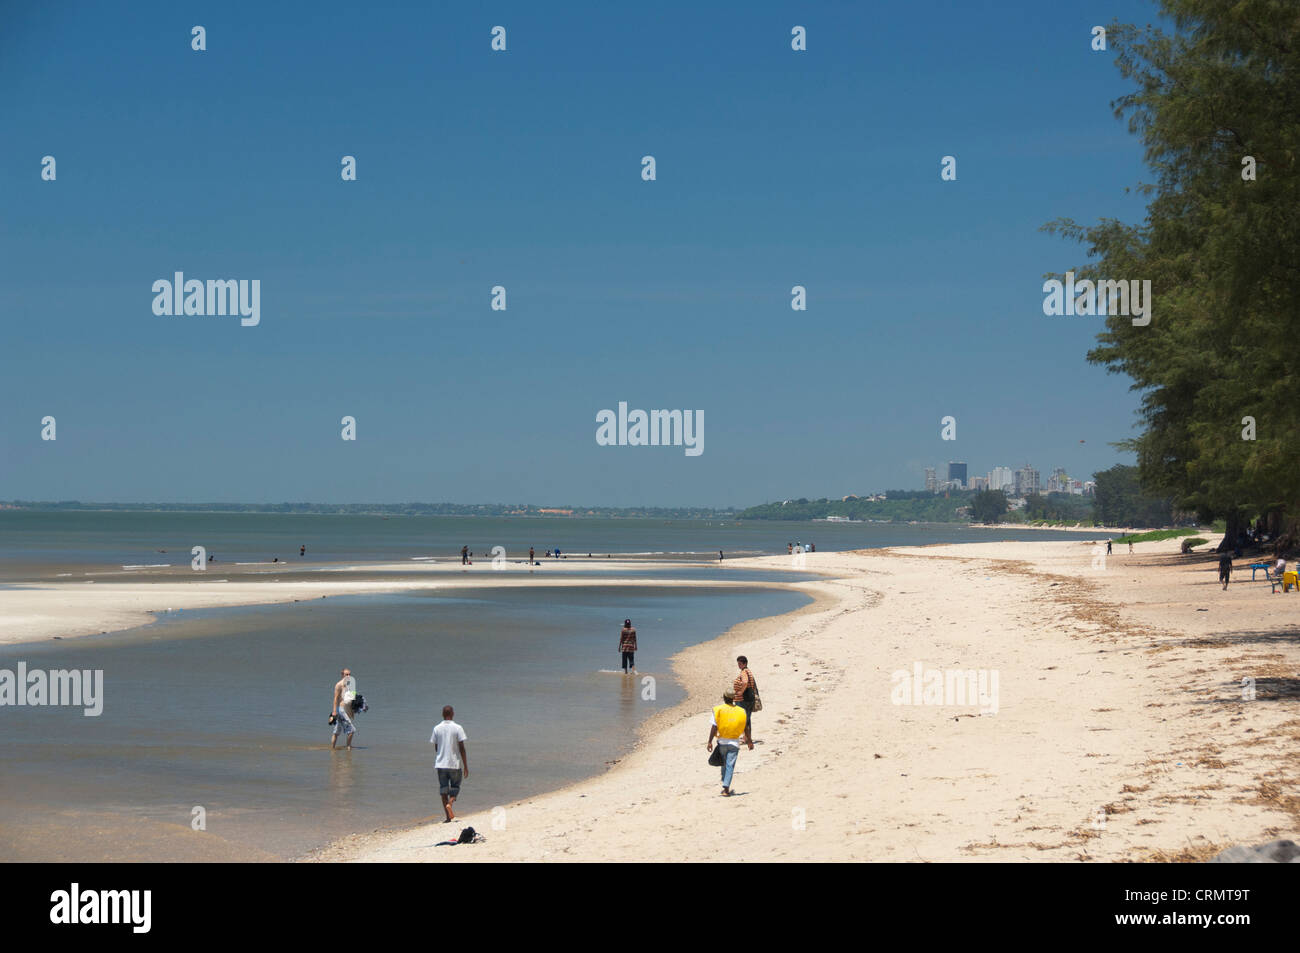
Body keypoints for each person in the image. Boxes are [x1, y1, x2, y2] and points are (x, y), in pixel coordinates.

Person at [707, 687, 752, 796]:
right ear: (733, 698)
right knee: (729, 765)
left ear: (724, 697)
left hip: (722, 742)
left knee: (725, 764)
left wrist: (709, 741)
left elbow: (714, 727)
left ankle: (726, 787)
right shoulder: (741, 711)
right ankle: (726, 785)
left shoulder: (718, 710)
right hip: (734, 743)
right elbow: (746, 727)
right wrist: (749, 741)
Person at [430, 705, 469, 822]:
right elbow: (462, 747)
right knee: (455, 787)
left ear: (443, 714)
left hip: (441, 764)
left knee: (443, 790)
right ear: (452, 714)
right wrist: (466, 765)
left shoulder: (436, 728)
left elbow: (436, 747)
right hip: (454, 764)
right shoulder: (458, 728)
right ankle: (451, 803)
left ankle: (447, 817)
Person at [330, 667, 357, 750]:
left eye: (349, 674)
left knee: (337, 731)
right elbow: (335, 698)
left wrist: (352, 710)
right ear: (342, 675)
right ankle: (348, 747)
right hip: (341, 710)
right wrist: (334, 711)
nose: (348, 676)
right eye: (346, 674)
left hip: (346, 710)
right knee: (352, 730)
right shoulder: (338, 685)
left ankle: (332, 749)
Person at [734, 656, 757, 739]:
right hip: (749, 698)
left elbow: (745, 682)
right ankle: (747, 737)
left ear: (745, 663)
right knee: (747, 718)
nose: (738, 665)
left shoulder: (744, 672)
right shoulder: (748, 671)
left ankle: (746, 737)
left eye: (740, 664)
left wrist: (741, 692)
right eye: (738, 663)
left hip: (744, 699)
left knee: (743, 719)